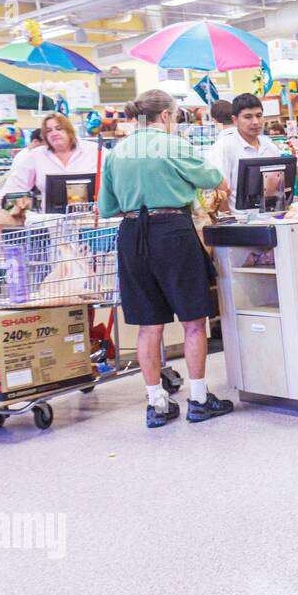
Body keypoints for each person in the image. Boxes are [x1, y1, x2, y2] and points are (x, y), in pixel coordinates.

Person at [97, 89, 234, 429]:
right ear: (165, 116)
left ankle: (156, 403)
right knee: (192, 319)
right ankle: (199, 399)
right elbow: (215, 180)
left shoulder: (116, 152)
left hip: (131, 236)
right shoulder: (173, 144)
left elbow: (106, 208)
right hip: (172, 231)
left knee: (149, 324)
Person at [0, 113, 97, 206]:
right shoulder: (36, 155)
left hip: (95, 217)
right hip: (51, 221)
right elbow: (15, 185)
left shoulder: (95, 150)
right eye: (49, 131)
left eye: (59, 128)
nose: (54, 133)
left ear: (69, 130)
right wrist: (4, 203)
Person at [207, 92, 280, 189]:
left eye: (258, 115)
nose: (255, 122)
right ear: (235, 120)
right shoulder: (224, 148)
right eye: (248, 117)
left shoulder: (271, 148)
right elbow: (220, 191)